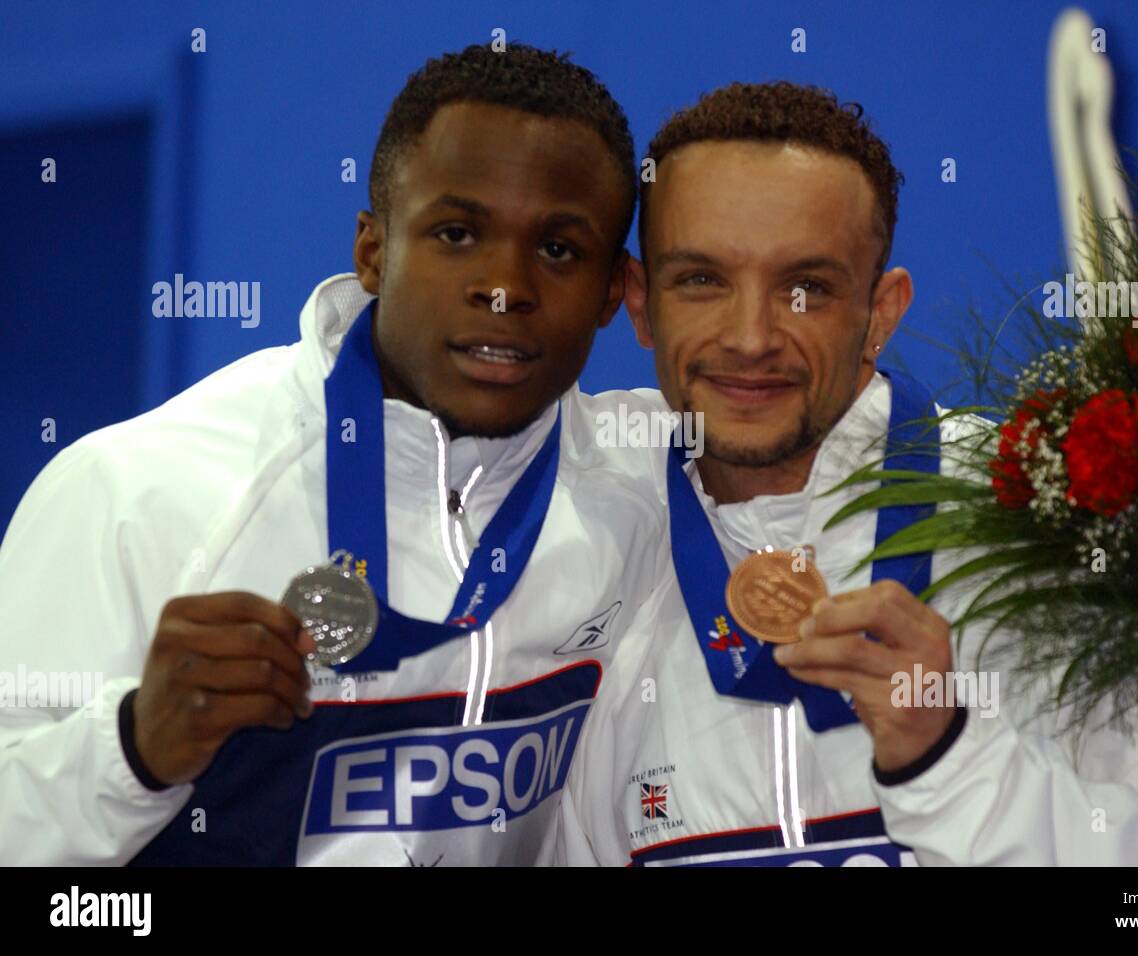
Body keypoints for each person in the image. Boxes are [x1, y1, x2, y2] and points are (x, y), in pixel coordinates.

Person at [546, 81, 1138, 866]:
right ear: (640, 303)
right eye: (701, 279)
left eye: (807, 288)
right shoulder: (597, 556)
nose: (749, 337)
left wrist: (951, 763)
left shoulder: (1045, 538)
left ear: (881, 312)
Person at [0, 43, 666, 865]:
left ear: (612, 291)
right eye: (457, 233)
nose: (505, 287)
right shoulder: (134, 493)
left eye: (559, 249)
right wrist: (133, 749)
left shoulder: (651, 487)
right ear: (373, 251)